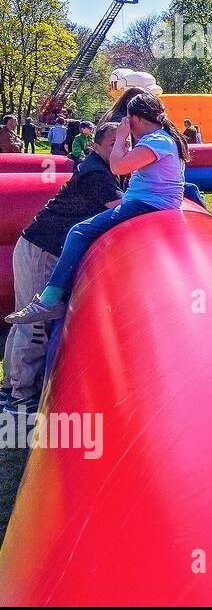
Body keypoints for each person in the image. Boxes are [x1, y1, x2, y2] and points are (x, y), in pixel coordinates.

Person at [6, 92, 188, 325]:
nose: (127, 127)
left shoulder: (156, 141)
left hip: (148, 205)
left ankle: (49, 300)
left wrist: (121, 137)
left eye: (128, 122)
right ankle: (51, 299)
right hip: (151, 203)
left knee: (79, 231)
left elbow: (118, 166)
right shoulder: (160, 139)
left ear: (137, 119)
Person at [2, 122, 122, 414]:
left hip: (37, 246)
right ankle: (21, 397)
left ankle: (12, 388)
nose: (122, 151)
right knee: (35, 323)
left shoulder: (100, 168)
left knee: (27, 319)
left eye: (126, 145)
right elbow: (121, 208)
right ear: (95, 146)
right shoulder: (97, 173)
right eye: (114, 146)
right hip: (43, 250)